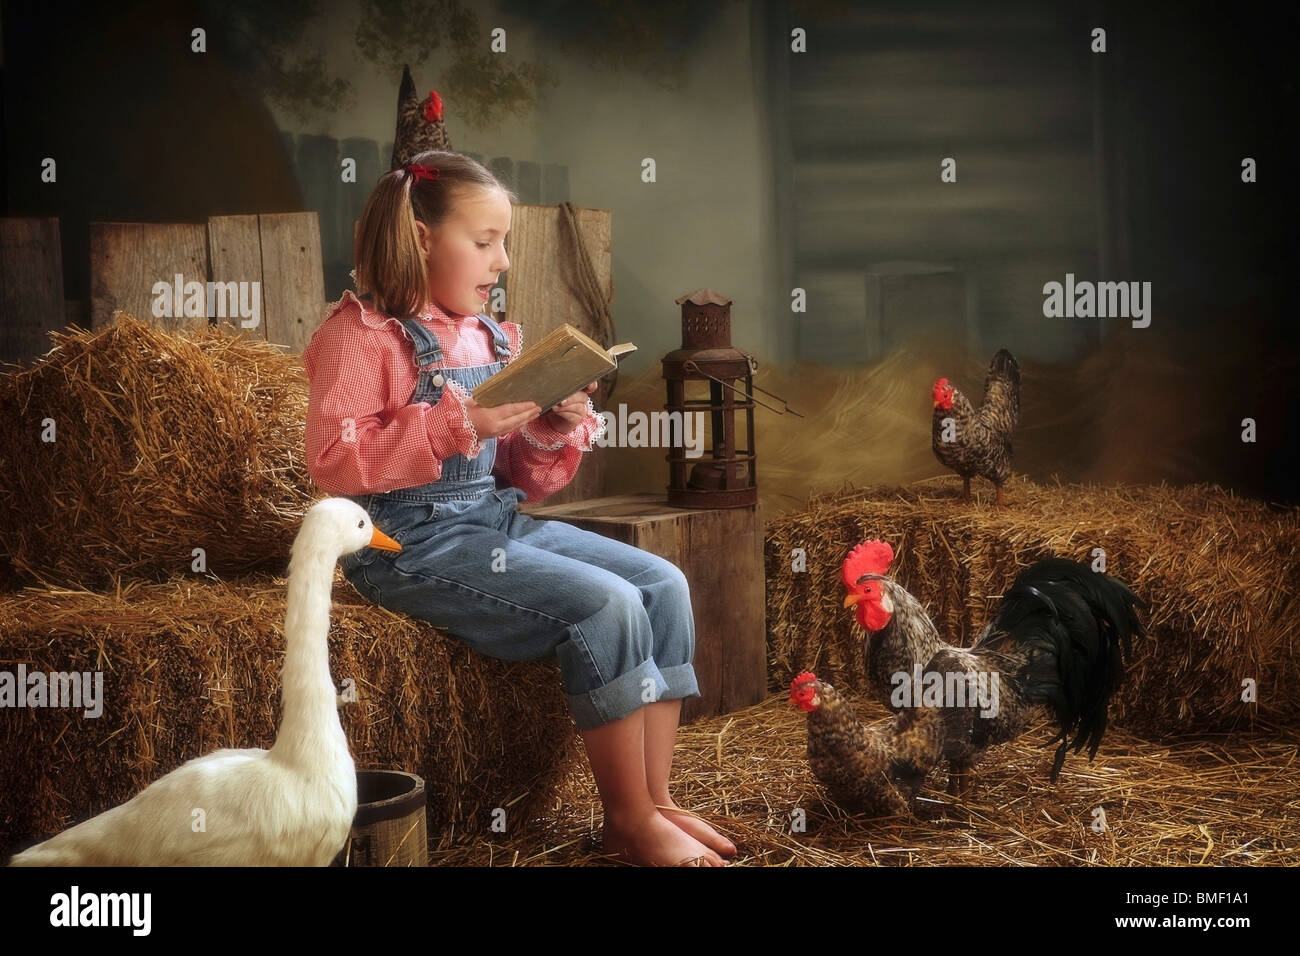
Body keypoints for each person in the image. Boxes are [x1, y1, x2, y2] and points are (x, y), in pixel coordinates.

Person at [303, 150, 735, 866]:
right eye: (484, 241)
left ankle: (655, 802)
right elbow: (335, 462)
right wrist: (458, 422)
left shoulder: (489, 335)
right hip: (402, 540)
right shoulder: (360, 336)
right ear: (418, 237)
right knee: (605, 607)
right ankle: (626, 819)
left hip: (490, 519)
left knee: (663, 586)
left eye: (504, 243)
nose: (501, 261)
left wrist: (552, 426)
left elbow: (520, 480)